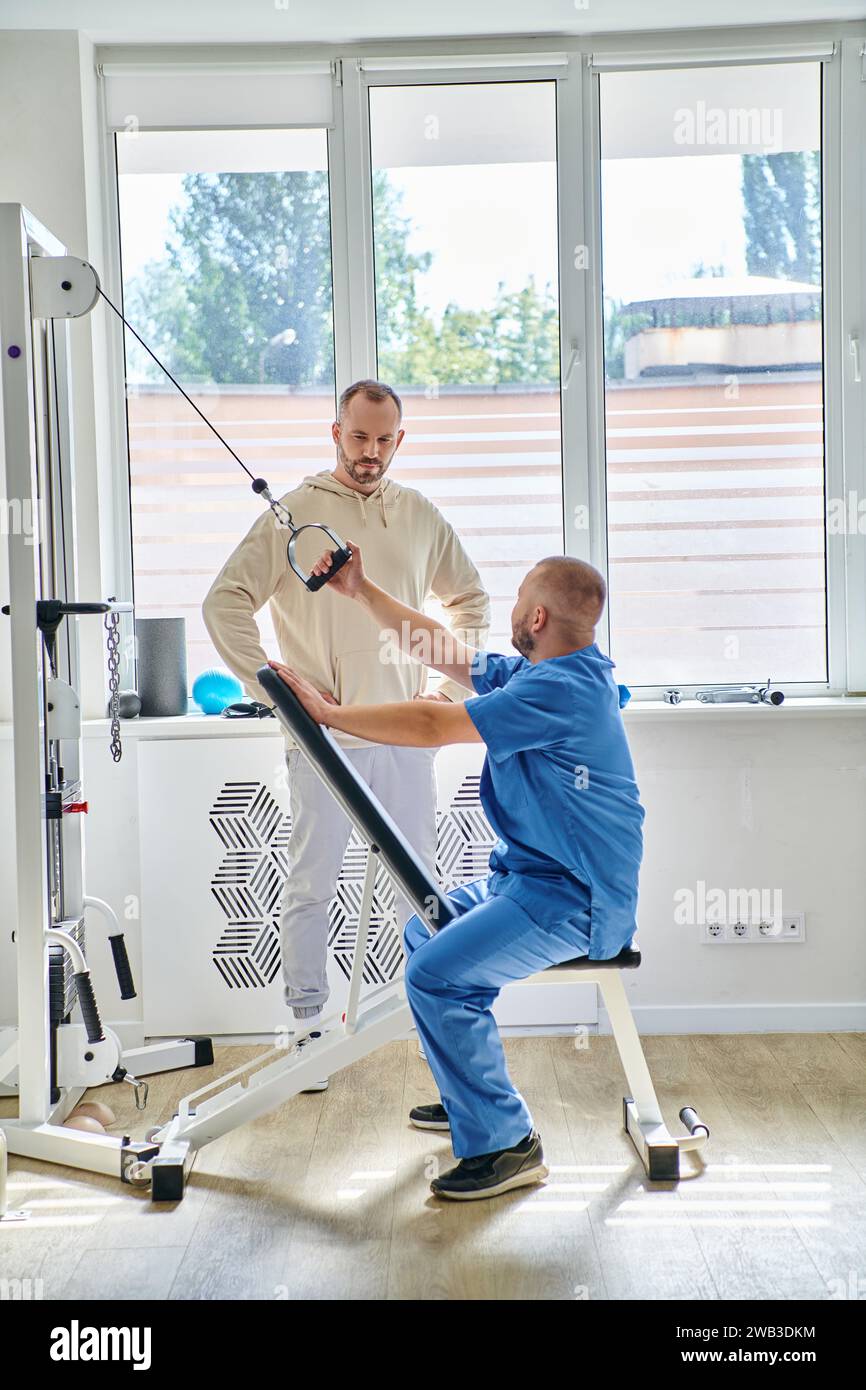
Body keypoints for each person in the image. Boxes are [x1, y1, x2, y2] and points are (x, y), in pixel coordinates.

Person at [269, 540, 645, 1201]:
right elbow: (442, 652)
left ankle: (506, 1142)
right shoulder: (544, 674)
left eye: (521, 598)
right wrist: (359, 590)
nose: (513, 607)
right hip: (531, 881)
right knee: (427, 930)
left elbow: (432, 721)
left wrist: (329, 716)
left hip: (576, 901)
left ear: (536, 619)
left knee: (435, 973)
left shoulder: (563, 692)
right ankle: (472, 1098)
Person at [203, 381, 490, 1079]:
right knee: (311, 883)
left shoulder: (418, 514)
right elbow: (224, 603)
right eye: (359, 438)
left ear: (401, 440)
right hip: (322, 740)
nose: (371, 453)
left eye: (385, 440)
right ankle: (307, 1032)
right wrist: (274, 690)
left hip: (401, 735)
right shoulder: (295, 513)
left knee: (421, 886)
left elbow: (470, 599)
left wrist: (446, 688)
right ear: (336, 433)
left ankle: (435, 1038)